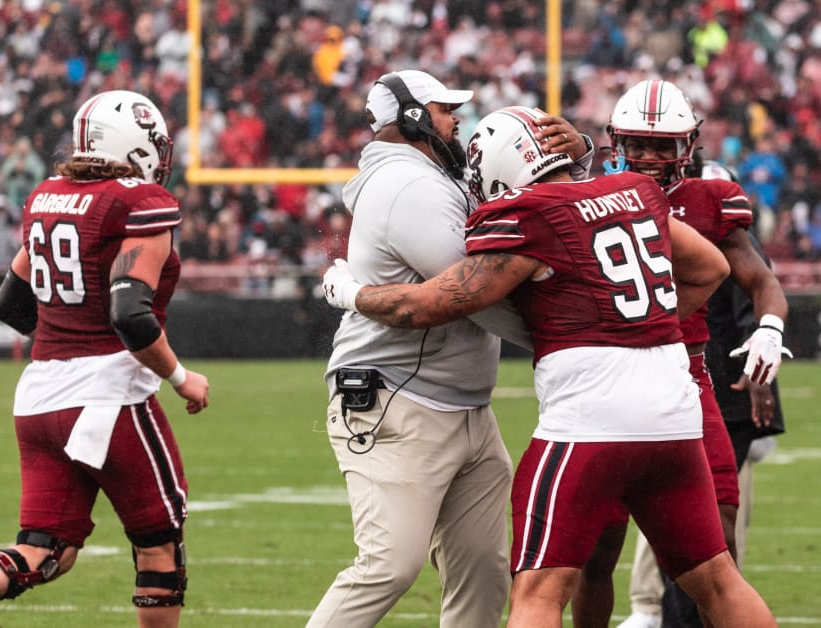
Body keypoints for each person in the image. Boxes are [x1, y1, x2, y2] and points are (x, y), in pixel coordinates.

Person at [322, 105, 778, 628]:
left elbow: (426, 306)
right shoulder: (636, 191)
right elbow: (712, 267)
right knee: (718, 581)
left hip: (590, 421)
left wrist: (350, 292)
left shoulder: (526, 214)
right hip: (674, 414)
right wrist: (635, 325)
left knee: (539, 591)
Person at [307, 71, 594, 628]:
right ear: (412, 117)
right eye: (444, 109)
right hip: (398, 400)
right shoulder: (406, 185)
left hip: (464, 408)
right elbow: (476, 293)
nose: (457, 119)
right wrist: (569, 335)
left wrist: (577, 159)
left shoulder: (434, 176)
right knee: (388, 566)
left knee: (482, 576)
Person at [0, 90, 209, 628]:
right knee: (159, 543)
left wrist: (69, 341)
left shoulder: (48, 196)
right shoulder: (139, 203)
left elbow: (9, 304)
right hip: (110, 399)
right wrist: (180, 377)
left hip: (39, 398)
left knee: (44, 551)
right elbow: (130, 315)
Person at [579, 78, 789, 628]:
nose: (649, 157)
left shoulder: (710, 199)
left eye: (661, 146)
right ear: (617, 142)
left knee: (719, 536)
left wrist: (769, 329)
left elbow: (761, 280)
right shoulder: (583, 197)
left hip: (687, 376)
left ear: (687, 146)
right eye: (638, 144)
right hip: (608, 376)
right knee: (599, 549)